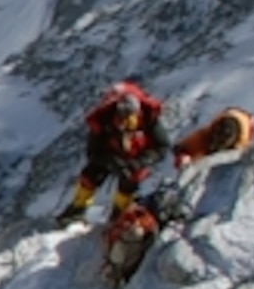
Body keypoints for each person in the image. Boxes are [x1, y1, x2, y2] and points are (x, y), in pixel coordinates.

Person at [55, 81, 169, 225]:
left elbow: (162, 147)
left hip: (136, 159)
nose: (124, 122)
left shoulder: (150, 120)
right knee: (90, 174)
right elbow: (93, 152)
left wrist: (140, 161)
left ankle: (119, 213)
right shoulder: (102, 121)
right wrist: (111, 162)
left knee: (131, 179)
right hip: (109, 156)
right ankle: (77, 208)